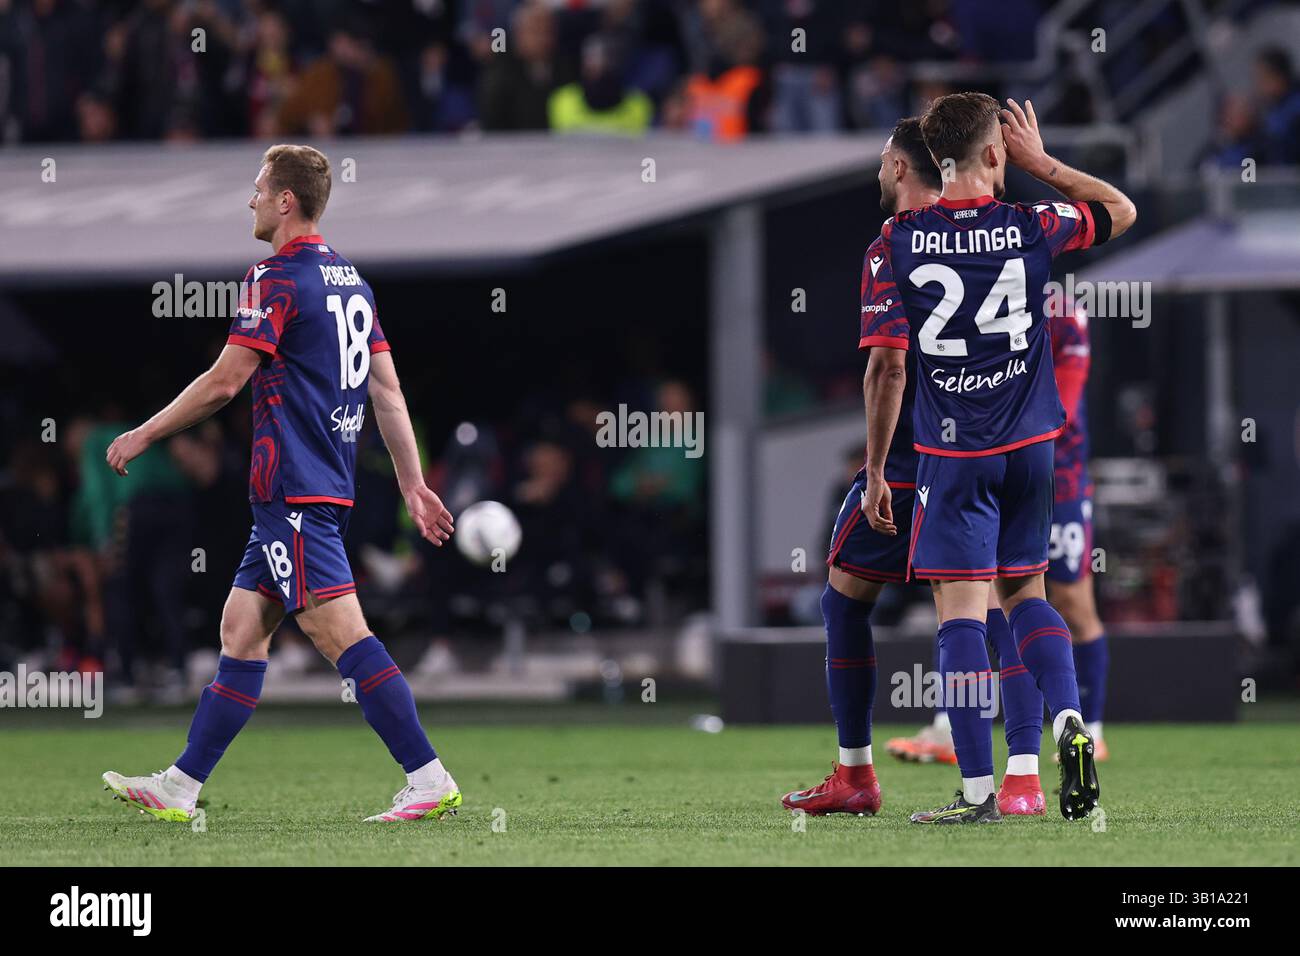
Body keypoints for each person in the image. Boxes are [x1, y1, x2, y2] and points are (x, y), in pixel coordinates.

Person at [100, 144, 461, 824]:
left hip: (292, 488)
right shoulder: (353, 282)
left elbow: (225, 381)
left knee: (340, 638)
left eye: (259, 188)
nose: (251, 200)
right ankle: (180, 785)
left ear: (286, 200)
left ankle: (429, 777)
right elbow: (387, 390)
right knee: (241, 629)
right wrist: (412, 482)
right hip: (317, 487)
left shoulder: (275, 278)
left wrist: (145, 433)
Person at [859, 93, 1134, 823]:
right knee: (1028, 597)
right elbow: (1119, 210)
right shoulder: (1031, 224)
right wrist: (1045, 165)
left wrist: (879, 467)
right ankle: (1069, 724)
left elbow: (887, 367)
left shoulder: (897, 242)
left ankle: (979, 793)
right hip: (1032, 449)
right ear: (994, 155)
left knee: (959, 615)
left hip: (953, 453)